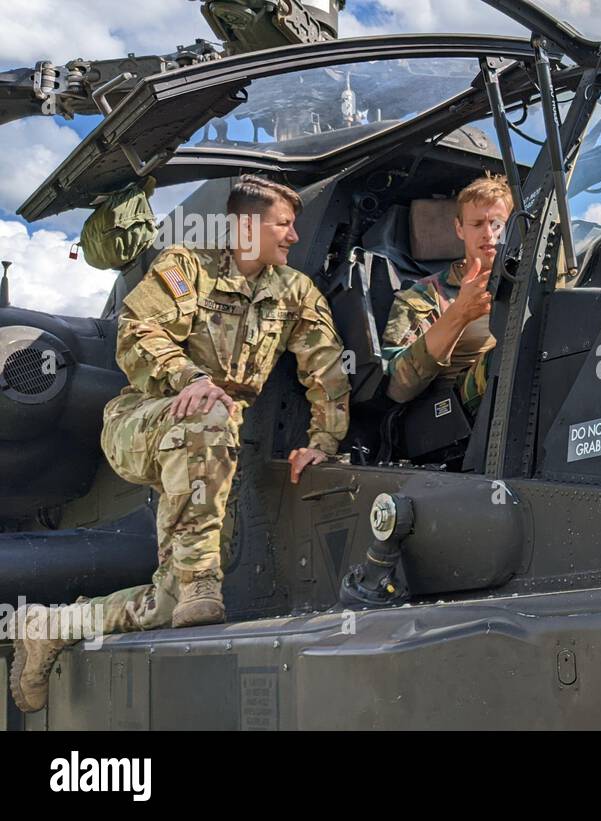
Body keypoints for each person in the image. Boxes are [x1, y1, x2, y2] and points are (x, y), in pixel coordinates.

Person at [9, 175, 351, 713]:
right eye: (282, 224)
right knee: (210, 416)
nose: (292, 236)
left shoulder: (293, 291)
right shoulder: (185, 267)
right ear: (244, 226)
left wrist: (324, 441)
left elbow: (325, 368)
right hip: (142, 419)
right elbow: (137, 333)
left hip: (207, 445)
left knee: (169, 601)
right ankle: (200, 582)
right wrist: (189, 379)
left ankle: (52, 624)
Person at [382, 174, 512, 415]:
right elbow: (397, 386)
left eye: (497, 224)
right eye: (477, 224)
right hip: (455, 414)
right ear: (459, 229)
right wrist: (459, 314)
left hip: (526, 406)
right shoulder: (426, 295)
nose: (488, 234)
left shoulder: (527, 285)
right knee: (510, 355)